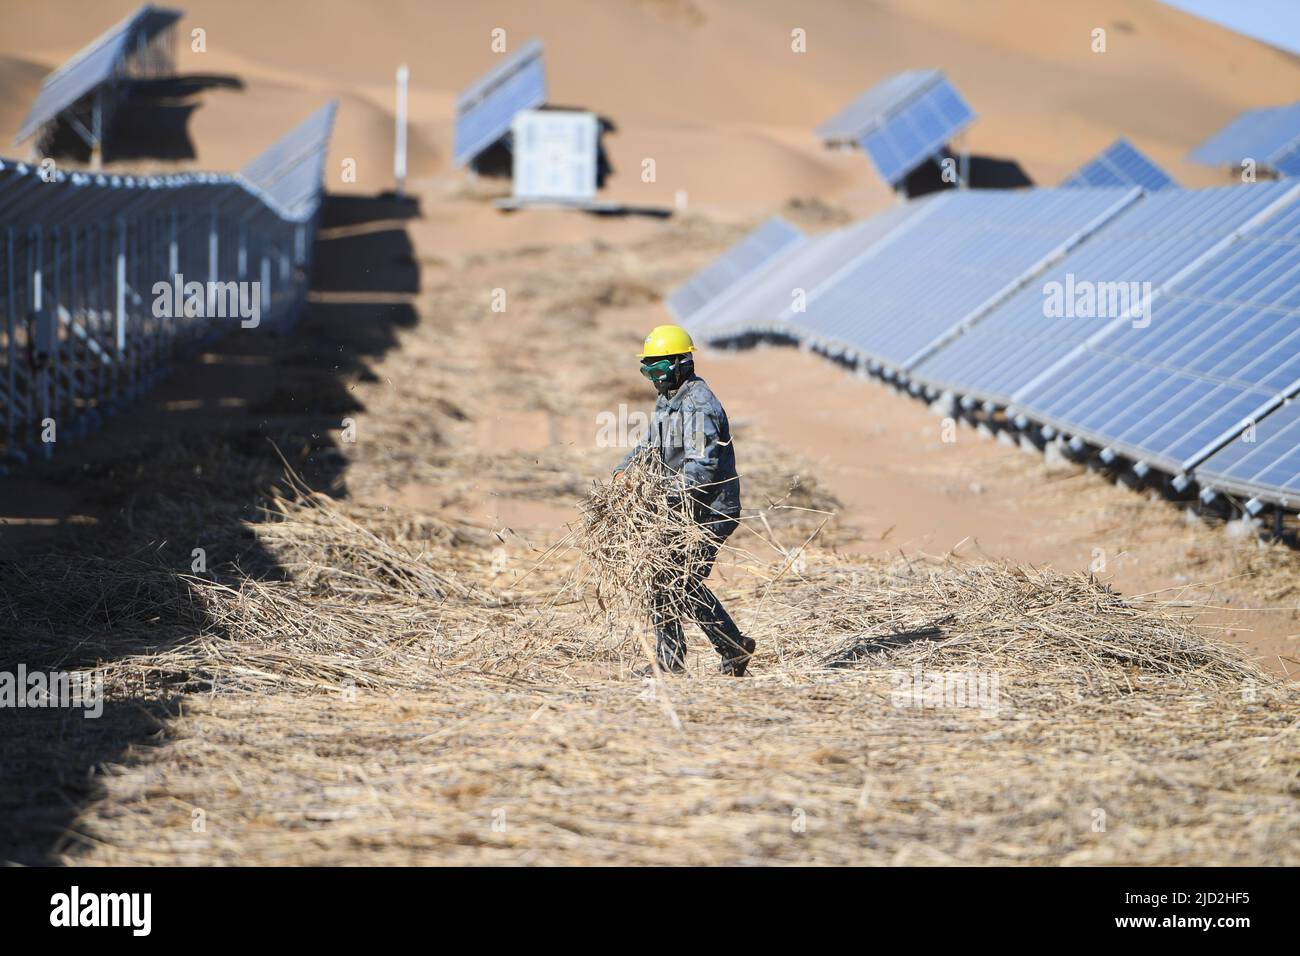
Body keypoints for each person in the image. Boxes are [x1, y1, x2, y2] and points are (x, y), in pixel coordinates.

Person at [614, 324, 756, 677]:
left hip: (710, 510)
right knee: (663, 578)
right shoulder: (669, 399)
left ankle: (731, 648)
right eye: (647, 368)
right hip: (680, 509)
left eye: (658, 368)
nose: (652, 377)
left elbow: (702, 467)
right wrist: (623, 472)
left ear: (682, 363)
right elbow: (650, 446)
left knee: (682, 581)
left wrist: (663, 499)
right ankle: (674, 662)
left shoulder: (698, 406)